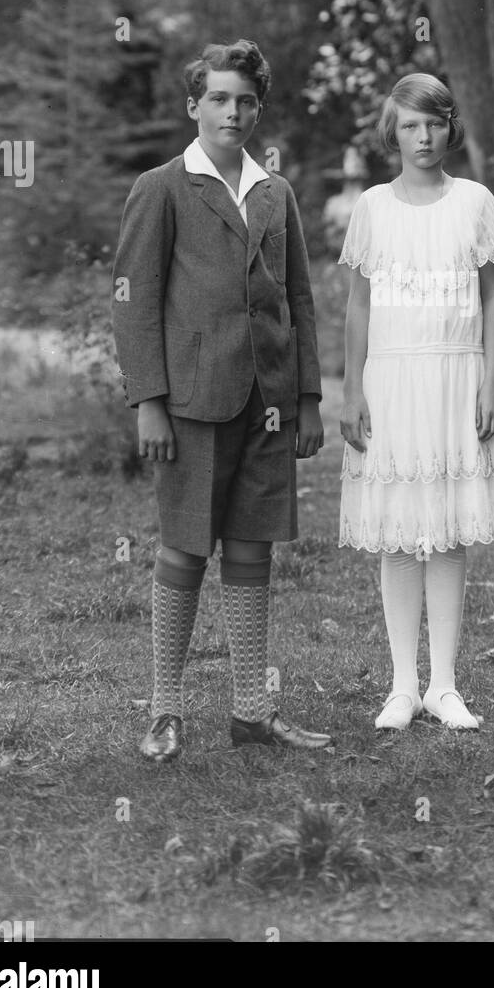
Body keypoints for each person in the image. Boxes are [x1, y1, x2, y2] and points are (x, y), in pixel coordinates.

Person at [112, 38, 331, 761]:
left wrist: (306, 399)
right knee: (184, 548)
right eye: (218, 99)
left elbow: (297, 296)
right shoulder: (163, 187)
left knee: (250, 546)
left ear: (257, 109)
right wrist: (148, 398)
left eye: (244, 101)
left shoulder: (275, 192)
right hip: (191, 400)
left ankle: (251, 710)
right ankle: (166, 709)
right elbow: (136, 302)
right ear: (193, 105)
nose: (231, 112)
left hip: (267, 402)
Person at [338, 74, 494, 731]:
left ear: (449, 128)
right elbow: (358, 306)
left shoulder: (474, 202)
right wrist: (351, 388)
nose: (424, 137)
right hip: (392, 382)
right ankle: (402, 685)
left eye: (434, 123)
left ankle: (444, 684)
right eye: (411, 125)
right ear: (394, 132)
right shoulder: (373, 209)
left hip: (455, 379)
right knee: (398, 532)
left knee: (445, 528)